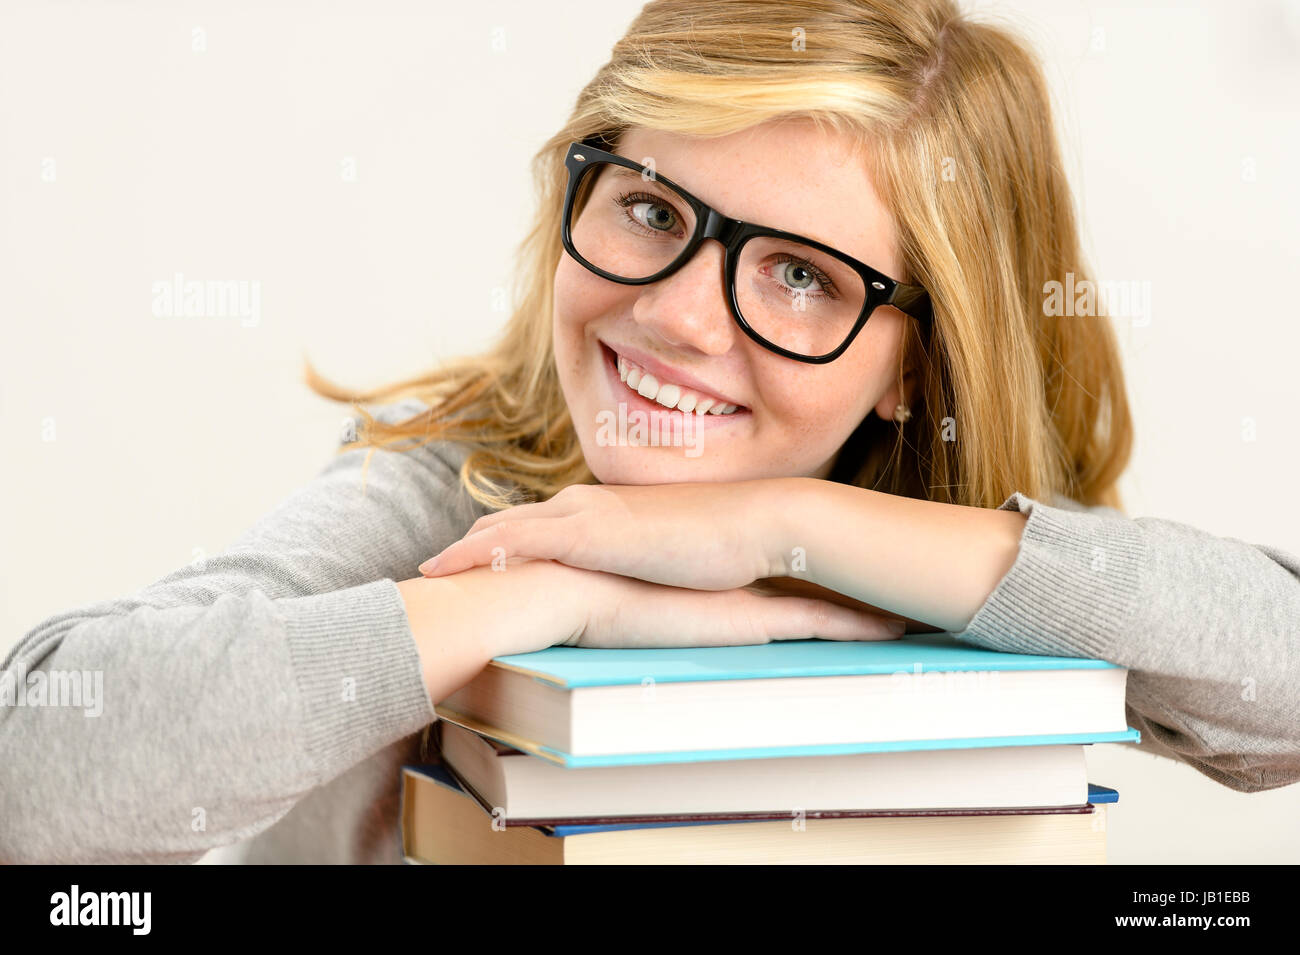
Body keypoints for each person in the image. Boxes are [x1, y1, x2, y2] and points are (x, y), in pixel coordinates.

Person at [3, 0, 1296, 865]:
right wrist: (545, 594)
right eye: (651, 210)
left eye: (802, 276)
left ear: (918, 365)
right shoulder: (460, 483)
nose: (676, 317)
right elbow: (37, 771)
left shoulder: (987, 571)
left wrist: (797, 529)